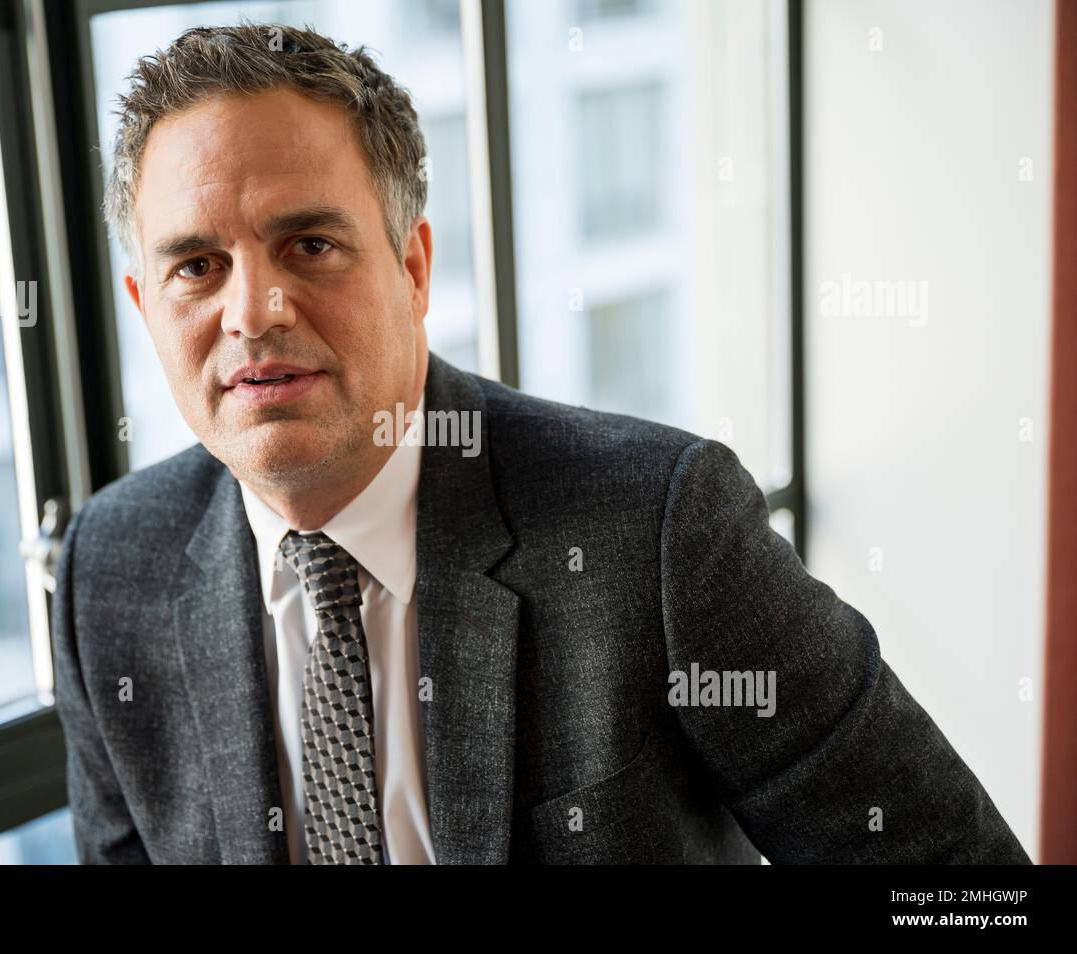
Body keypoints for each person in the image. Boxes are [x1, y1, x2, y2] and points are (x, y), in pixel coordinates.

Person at [50, 22, 1030, 864]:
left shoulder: (659, 529)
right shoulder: (110, 570)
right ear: (144, 305)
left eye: (309, 245)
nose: (252, 312)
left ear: (412, 268)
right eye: (197, 266)